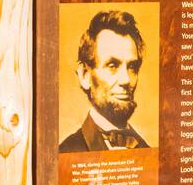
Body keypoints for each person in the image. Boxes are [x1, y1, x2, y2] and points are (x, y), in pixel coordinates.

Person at [59, 10, 150, 151]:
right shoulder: (66, 153)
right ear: (84, 75)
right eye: (112, 65)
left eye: (132, 67)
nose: (126, 79)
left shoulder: (150, 153)